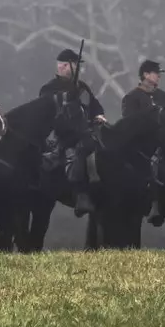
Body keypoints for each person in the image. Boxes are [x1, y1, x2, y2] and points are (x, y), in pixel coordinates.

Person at [39, 48, 106, 217]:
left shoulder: (82, 86)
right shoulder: (49, 88)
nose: (77, 67)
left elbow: (96, 107)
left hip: (87, 130)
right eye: (74, 64)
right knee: (81, 147)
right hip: (63, 134)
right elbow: (48, 115)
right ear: (62, 66)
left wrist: (98, 116)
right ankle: (81, 193)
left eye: (77, 64)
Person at [121, 59, 165, 226]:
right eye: (156, 73)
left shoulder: (163, 96)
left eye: (158, 74)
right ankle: (154, 203)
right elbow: (129, 123)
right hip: (143, 145)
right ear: (145, 75)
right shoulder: (131, 97)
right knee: (152, 163)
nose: (158, 76)